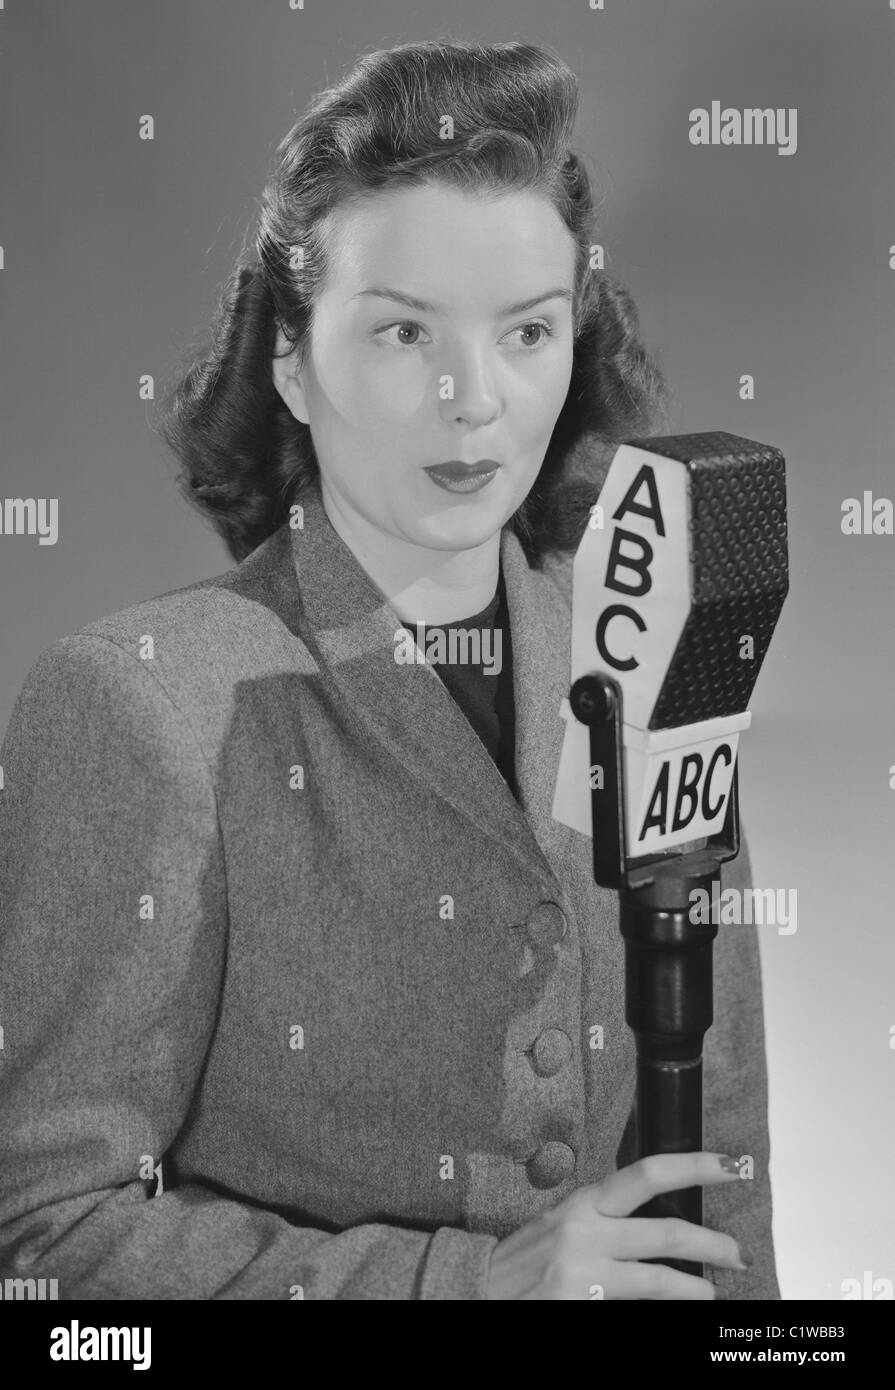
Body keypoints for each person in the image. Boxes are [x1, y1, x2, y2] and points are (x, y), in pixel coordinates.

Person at [0, 38, 780, 1300]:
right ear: (292, 361)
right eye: (404, 331)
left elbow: (726, 1197)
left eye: (525, 330)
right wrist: (461, 1289)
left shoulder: (662, 642)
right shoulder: (138, 704)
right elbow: (41, 1250)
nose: (473, 398)